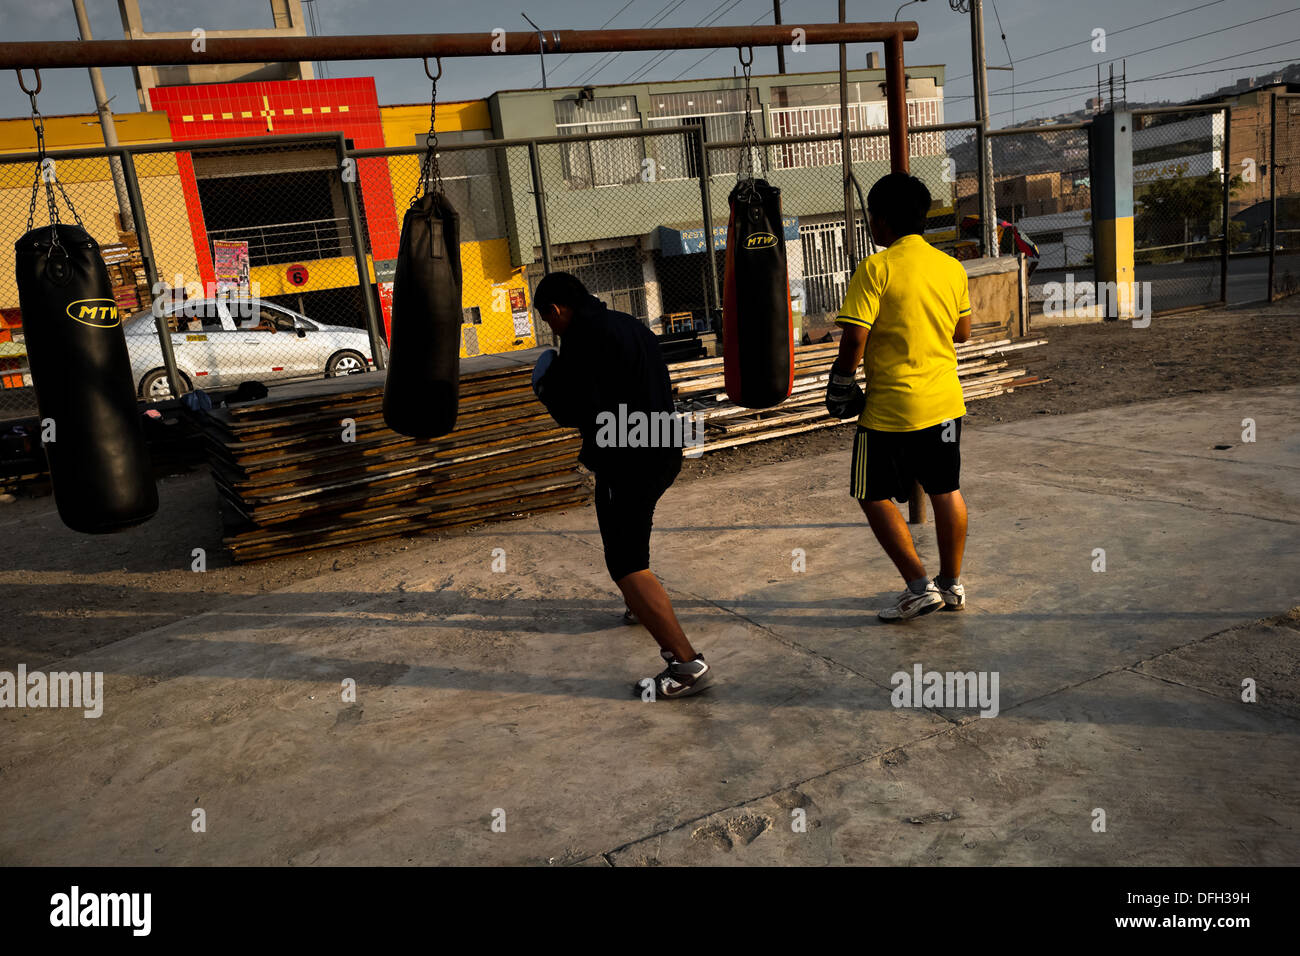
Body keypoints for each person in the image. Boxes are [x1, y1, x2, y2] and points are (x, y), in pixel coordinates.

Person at [530, 272, 709, 699]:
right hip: (663, 448)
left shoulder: (583, 337)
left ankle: (686, 665)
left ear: (557, 310)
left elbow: (574, 410)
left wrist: (545, 386)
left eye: (548, 320)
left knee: (625, 563)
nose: (552, 329)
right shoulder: (629, 323)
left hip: (627, 460)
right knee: (631, 529)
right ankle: (639, 604)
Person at [825, 172, 972, 622]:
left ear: (883, 220)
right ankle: (951, 584)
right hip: (946, 402)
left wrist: (841, 384)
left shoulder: (876, 268)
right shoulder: (951, 267)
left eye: (871, 215)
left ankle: (917, 585)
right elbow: (962, 332)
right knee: (946, 489)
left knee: (871, 493)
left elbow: (854, 339)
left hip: (891, 409)